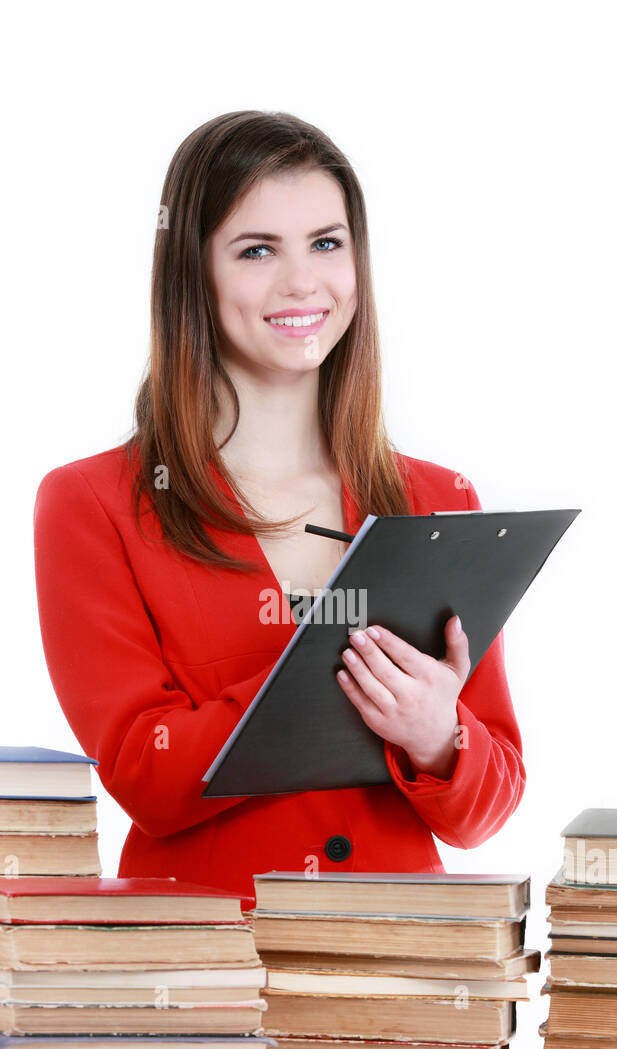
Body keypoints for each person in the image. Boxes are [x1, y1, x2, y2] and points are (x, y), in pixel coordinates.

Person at [33, 110, 525, 895]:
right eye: (257, 250)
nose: (303, 283)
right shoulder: (94, 503)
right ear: (194, 272)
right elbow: (145, 776)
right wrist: (330, 682)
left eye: (327, 244)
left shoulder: (438, 499)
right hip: (209, 972)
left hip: (411, 975)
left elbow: (486, 808)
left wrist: (439, 736)